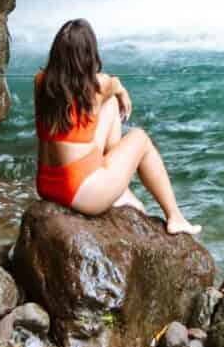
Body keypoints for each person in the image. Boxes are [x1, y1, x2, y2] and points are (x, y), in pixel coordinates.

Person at [34, 18, 200, 235]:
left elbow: (99, 94)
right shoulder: (97, 86)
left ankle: (119, 190)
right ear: (89, 55)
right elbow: (115, 83)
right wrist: (122, 92)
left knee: (110, 103)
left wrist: (115, 95)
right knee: (140, 138)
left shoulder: (40, 81)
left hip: (46, 185)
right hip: (80, 192)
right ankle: (175, 217)